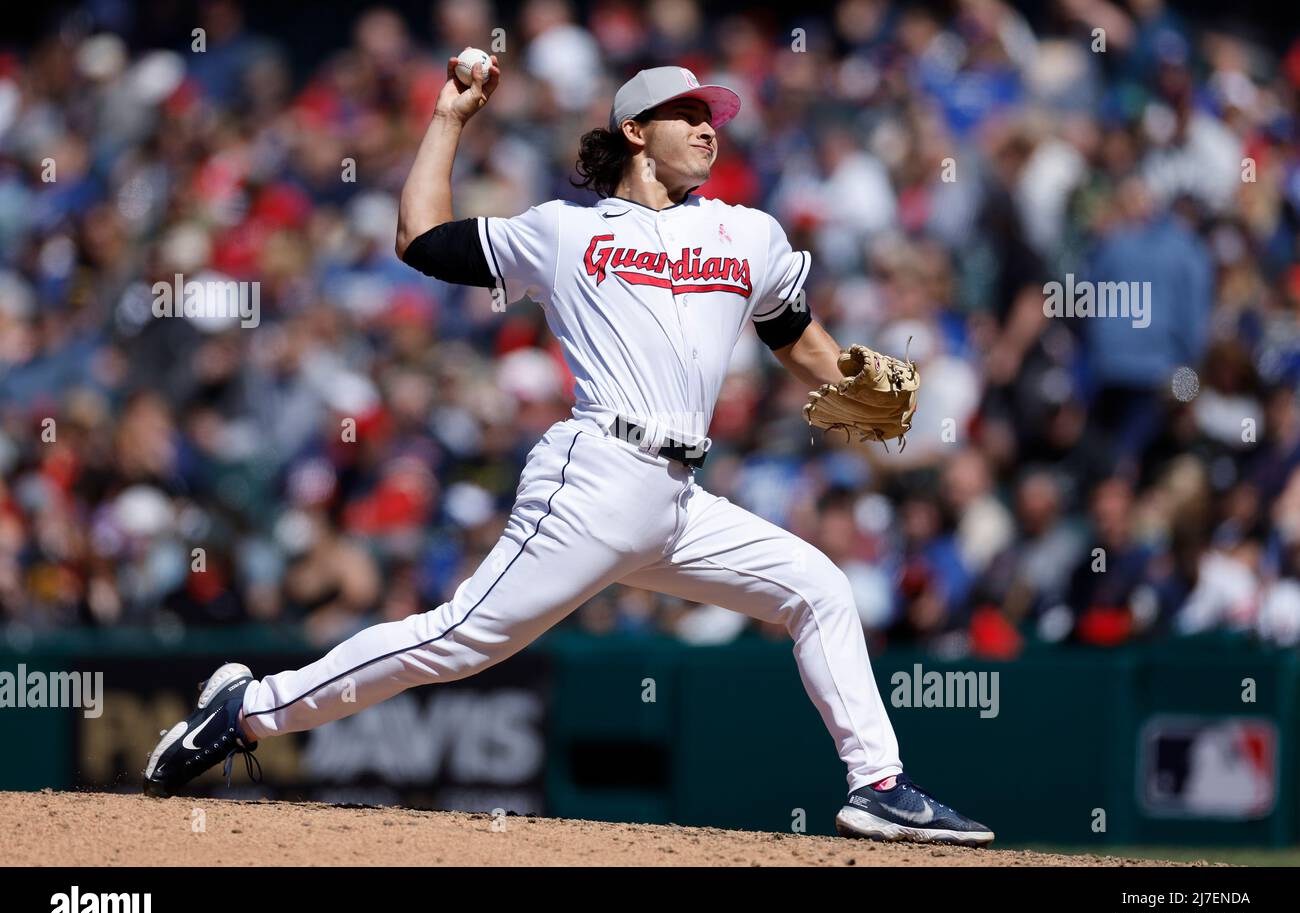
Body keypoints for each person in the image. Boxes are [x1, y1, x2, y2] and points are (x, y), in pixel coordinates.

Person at [143, 55, 994, 845]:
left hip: (678, 498)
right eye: (687, 113)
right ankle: (248, 710)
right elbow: (419, 239)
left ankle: (877, 785)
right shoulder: (564, 231)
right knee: (459, 641)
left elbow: (800, 344)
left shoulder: (750, 235)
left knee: (819, 588)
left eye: (713, 116)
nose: (709, 128)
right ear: (635, 131)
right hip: (596, 475)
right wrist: (449, 119)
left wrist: (878, 398)